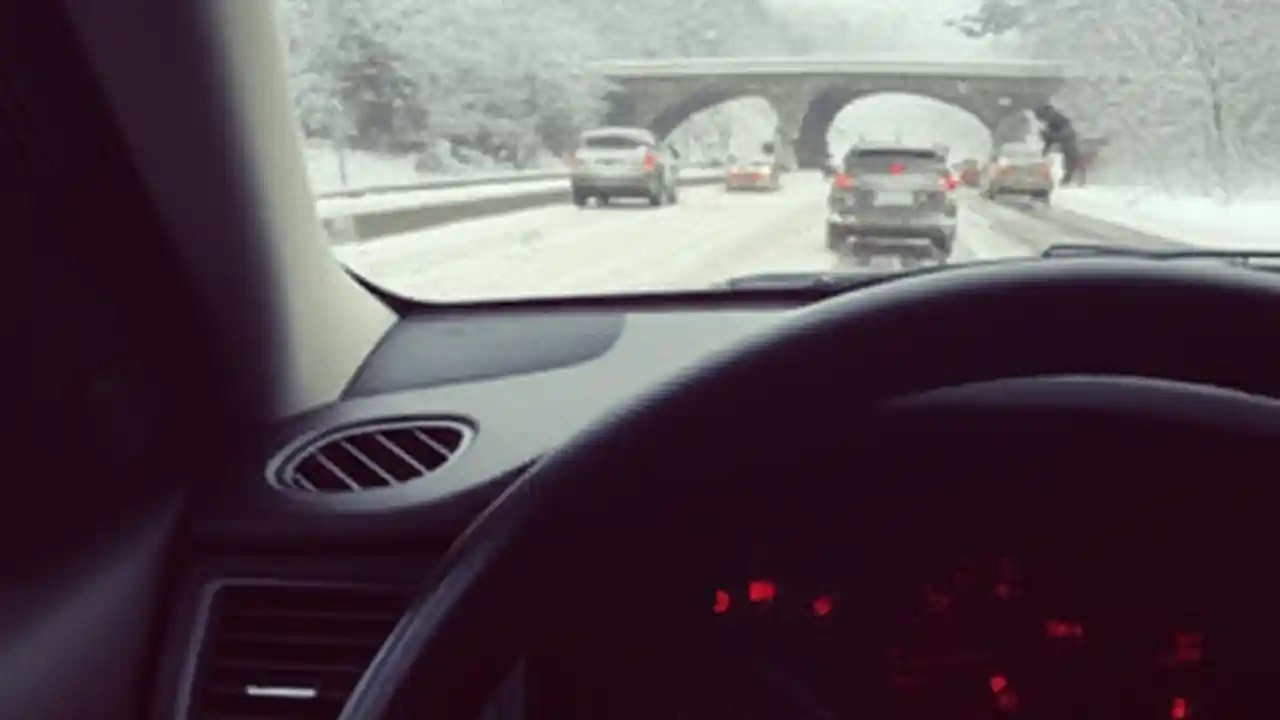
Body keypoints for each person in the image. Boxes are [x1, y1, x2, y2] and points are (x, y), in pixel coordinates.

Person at [1033, 103, 1080, 185]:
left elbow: (1064, 128)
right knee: (1070, 157)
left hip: (1065, 136)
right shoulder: (1052, 118)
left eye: (1041, 118)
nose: (1042, 120)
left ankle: (1068, 178)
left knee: (1070, 156)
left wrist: (1048, 143)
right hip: (1063, 135)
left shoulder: (1053, 117)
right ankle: (1068, 178)